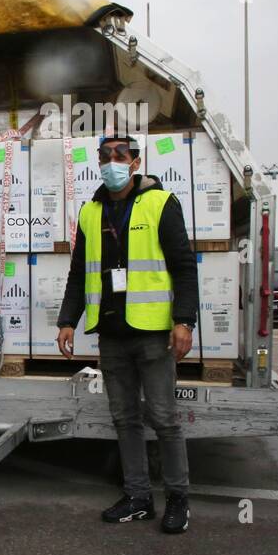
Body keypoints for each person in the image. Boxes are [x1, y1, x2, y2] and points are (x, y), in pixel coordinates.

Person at [56, 133, 198, 533]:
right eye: (106, 156)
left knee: (165, 418)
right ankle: (138, 496)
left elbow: (184, 267)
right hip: (112, 333)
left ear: (135, 162)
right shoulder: (90, 212)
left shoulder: (160, 203)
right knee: (124, 418)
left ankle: (178, 500)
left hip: (153, 333)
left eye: (121, 155)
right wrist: (68, 320)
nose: (112, 162)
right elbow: (78, 272)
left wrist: (184, 321)